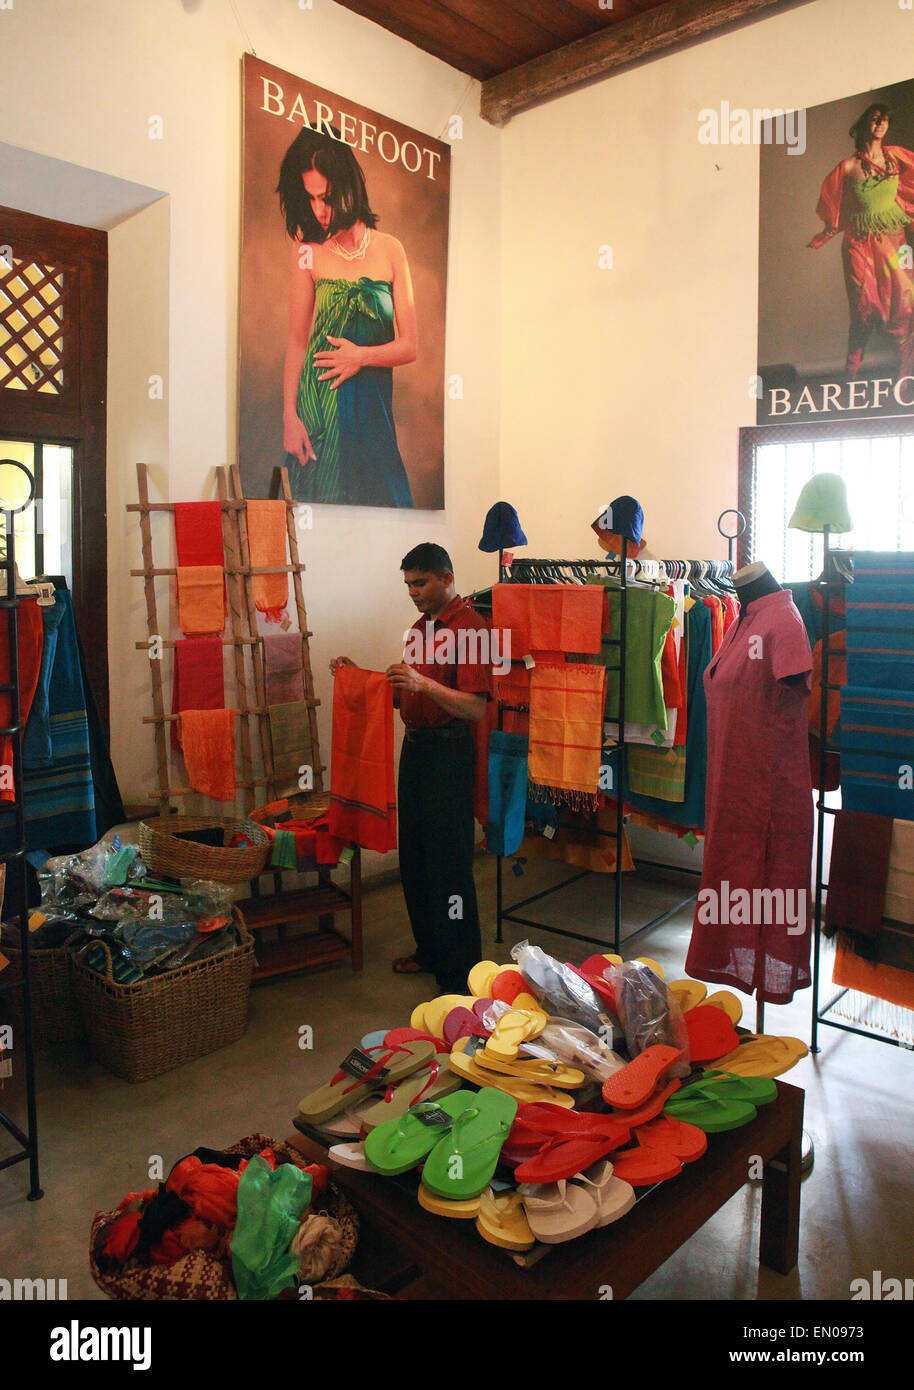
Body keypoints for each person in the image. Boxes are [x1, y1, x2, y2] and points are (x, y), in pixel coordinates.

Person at [330, 543, 493, 994]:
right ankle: (430, 950)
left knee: (450, 863)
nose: (413, 593)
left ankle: (460, 970)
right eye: (408, 585)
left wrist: (422, 682)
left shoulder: (472, 629)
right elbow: (405, 696)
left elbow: (475, 708)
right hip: (417, 750)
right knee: (416, 858)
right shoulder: (419, 630)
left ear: (446, 577)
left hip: (450, 755)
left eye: (420, 583)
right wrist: (356, 676)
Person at [277, 127, 416, 507]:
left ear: (349, 185)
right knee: (315, 517)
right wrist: (289, 415)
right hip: (318, 407)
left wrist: (361, 357)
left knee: (388, 506)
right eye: (311, 199)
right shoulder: (306, 248)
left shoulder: (391, 250)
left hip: (372, 411)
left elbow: (410, 346)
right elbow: (297, 339)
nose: (320, 210)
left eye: (327, 197)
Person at [808, 102, 914, 378]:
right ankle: (850, 376)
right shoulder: (847, 167)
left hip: (895, 238)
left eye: (885, 120)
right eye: (875, 119)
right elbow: (830, 205)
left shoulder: (895, 158)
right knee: (863, 309)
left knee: (905, 304)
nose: (880, 124)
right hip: (860, 242)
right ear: (865, 123)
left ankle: (904, 375)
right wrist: (830, 229)